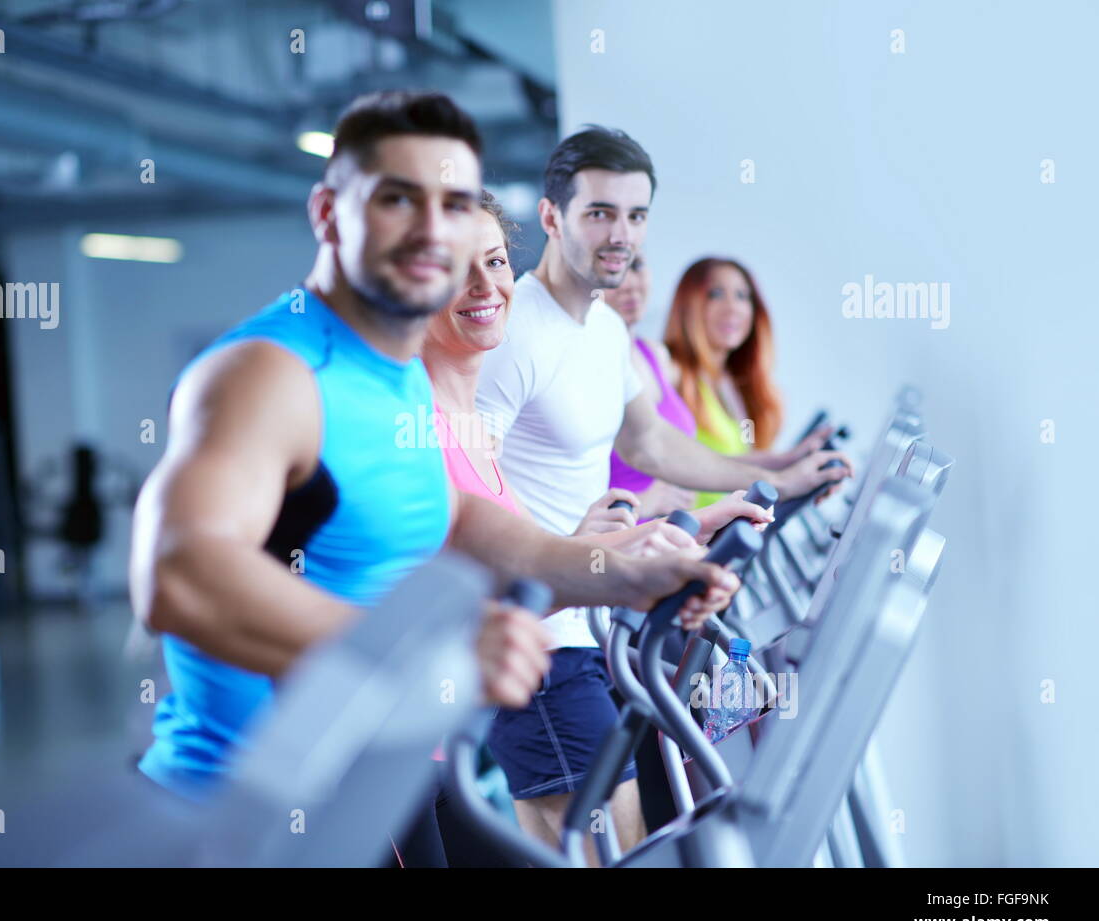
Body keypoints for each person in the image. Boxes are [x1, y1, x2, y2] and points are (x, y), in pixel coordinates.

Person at [128, 92, 742, 867]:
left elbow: (458, 520)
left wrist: (625, 572)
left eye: (454, 204)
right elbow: (179, 574)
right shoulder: (272, 371)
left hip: (385, 775)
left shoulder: (396, 375)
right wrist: (425, 653)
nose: (432, 230)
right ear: (327, 213)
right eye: (397, 199)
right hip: (254, 810)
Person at [472, 125, 853, 851]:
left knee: (612, 841)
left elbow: (653, 444)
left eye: (636, 215)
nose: (621, 235)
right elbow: (471, 483)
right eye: (600, 213)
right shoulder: (517, 332)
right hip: (539, 641)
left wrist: (775, 473)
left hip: (587, 627)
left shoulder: (601, 332)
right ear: (552, 217)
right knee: (614, 842)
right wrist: (574, 549)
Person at [423, 192, 774, 856]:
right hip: (429, 745)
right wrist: (638, 567)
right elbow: (505, 583)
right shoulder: (423, 430)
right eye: (454, 267)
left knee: (603, 842)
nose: (486, 284)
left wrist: (682, 532)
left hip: (473, 716)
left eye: (495, 260)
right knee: (615, 839)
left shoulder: (468, 426)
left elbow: (533, 563)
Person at [664, 257, 829, 506]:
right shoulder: (672, 372)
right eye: (716, 294)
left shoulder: (731, 386)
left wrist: (791, 461)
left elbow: (736, 461)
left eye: (743, 296)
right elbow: (680, 462)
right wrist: (782, 477)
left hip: (717, 536)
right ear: (688, 304)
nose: (733, 307)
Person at [605, 255, 700, 518]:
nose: (630, 284)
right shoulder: (585, 366)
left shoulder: (655, 354)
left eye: (635, 266)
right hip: (619, 545)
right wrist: (645, 501)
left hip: (669, 537)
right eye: (614, 273)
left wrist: (778, 467)